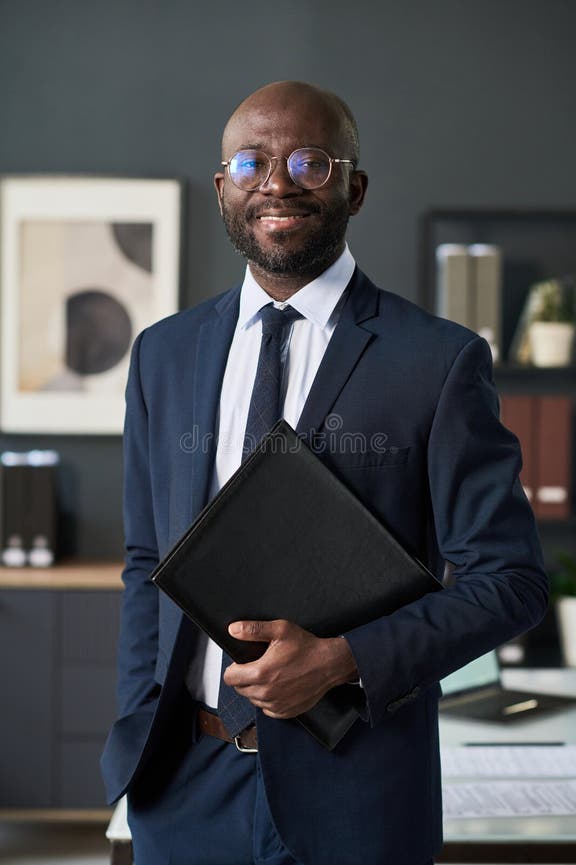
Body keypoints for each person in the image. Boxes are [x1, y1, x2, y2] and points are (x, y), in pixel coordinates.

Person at [101, 81, 548, 865]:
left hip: (358, 794)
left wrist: (343, 659)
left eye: (310, 162)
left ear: (355, 188)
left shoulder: (437, 362)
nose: (277, 183)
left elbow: (510, 581)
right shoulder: (163, 353)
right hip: (186, 787)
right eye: (252, 162)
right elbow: (148, 563)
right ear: (223, 187)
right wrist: (141, 717)